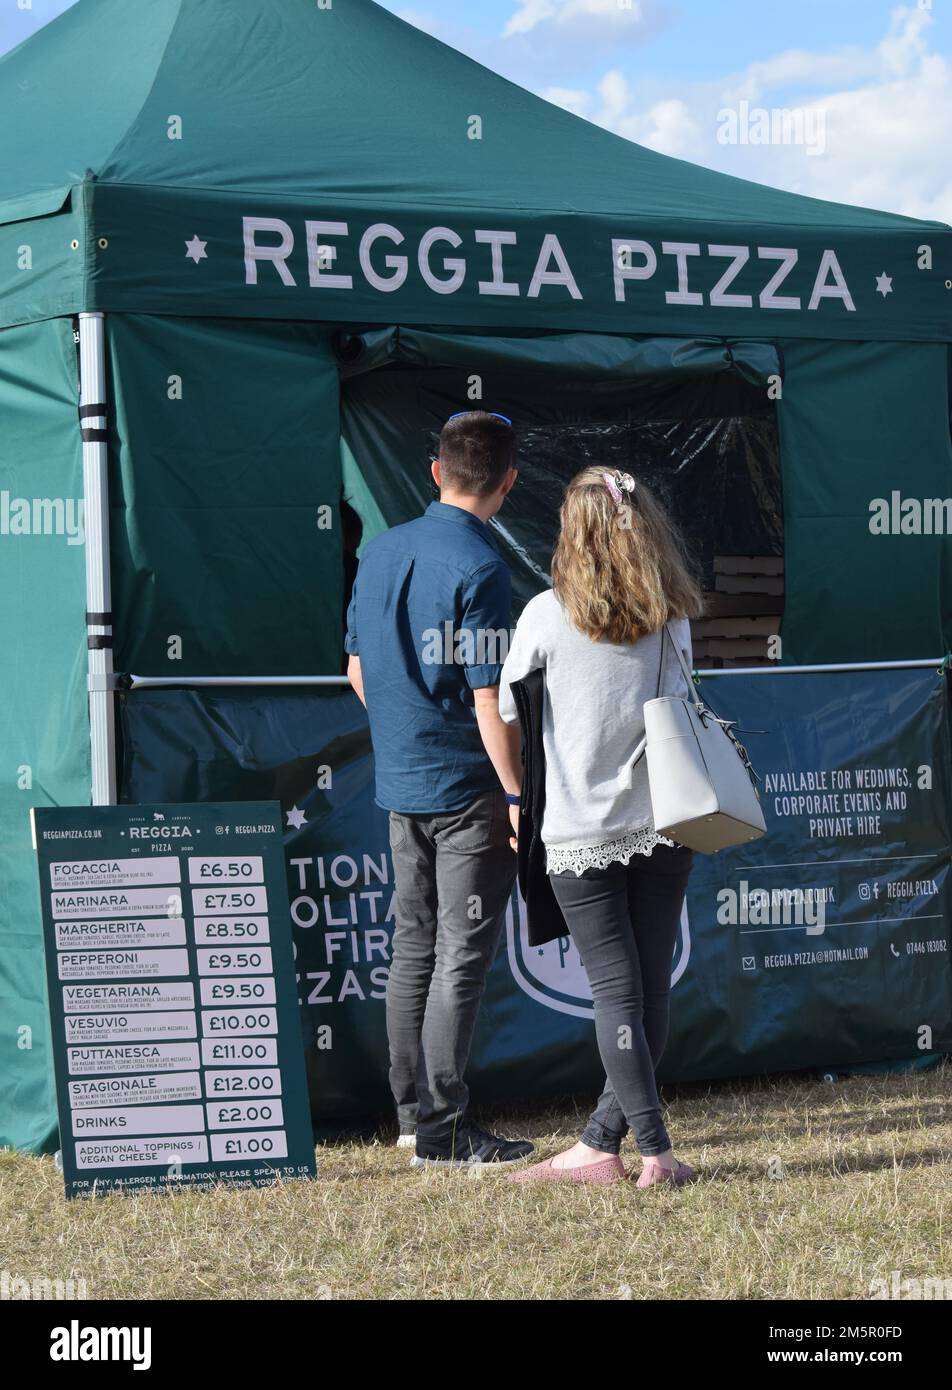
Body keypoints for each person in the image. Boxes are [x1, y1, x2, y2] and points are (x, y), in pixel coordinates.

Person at [499, 466, 704, 1187]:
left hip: (580, 828)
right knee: (650, 992)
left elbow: (503, 713)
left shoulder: (544, 615)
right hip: (667, 820)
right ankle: (598, 1145)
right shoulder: (672, 611)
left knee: (617, 995)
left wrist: (516, 798)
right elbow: (682, 704)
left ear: (569, 531)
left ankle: (651, 1154)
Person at [346, 410, 534, 1168]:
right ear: (509, 482)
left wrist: (405, 731)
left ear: (435, 472)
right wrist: (520, 796)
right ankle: (444, 1131)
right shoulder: (483, 568)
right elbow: (490, 701)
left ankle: (411, 1117)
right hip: (466, 789)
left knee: (414, 949)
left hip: (402, 781)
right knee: (458, 956)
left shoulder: (383, 549)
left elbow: (357, 671)